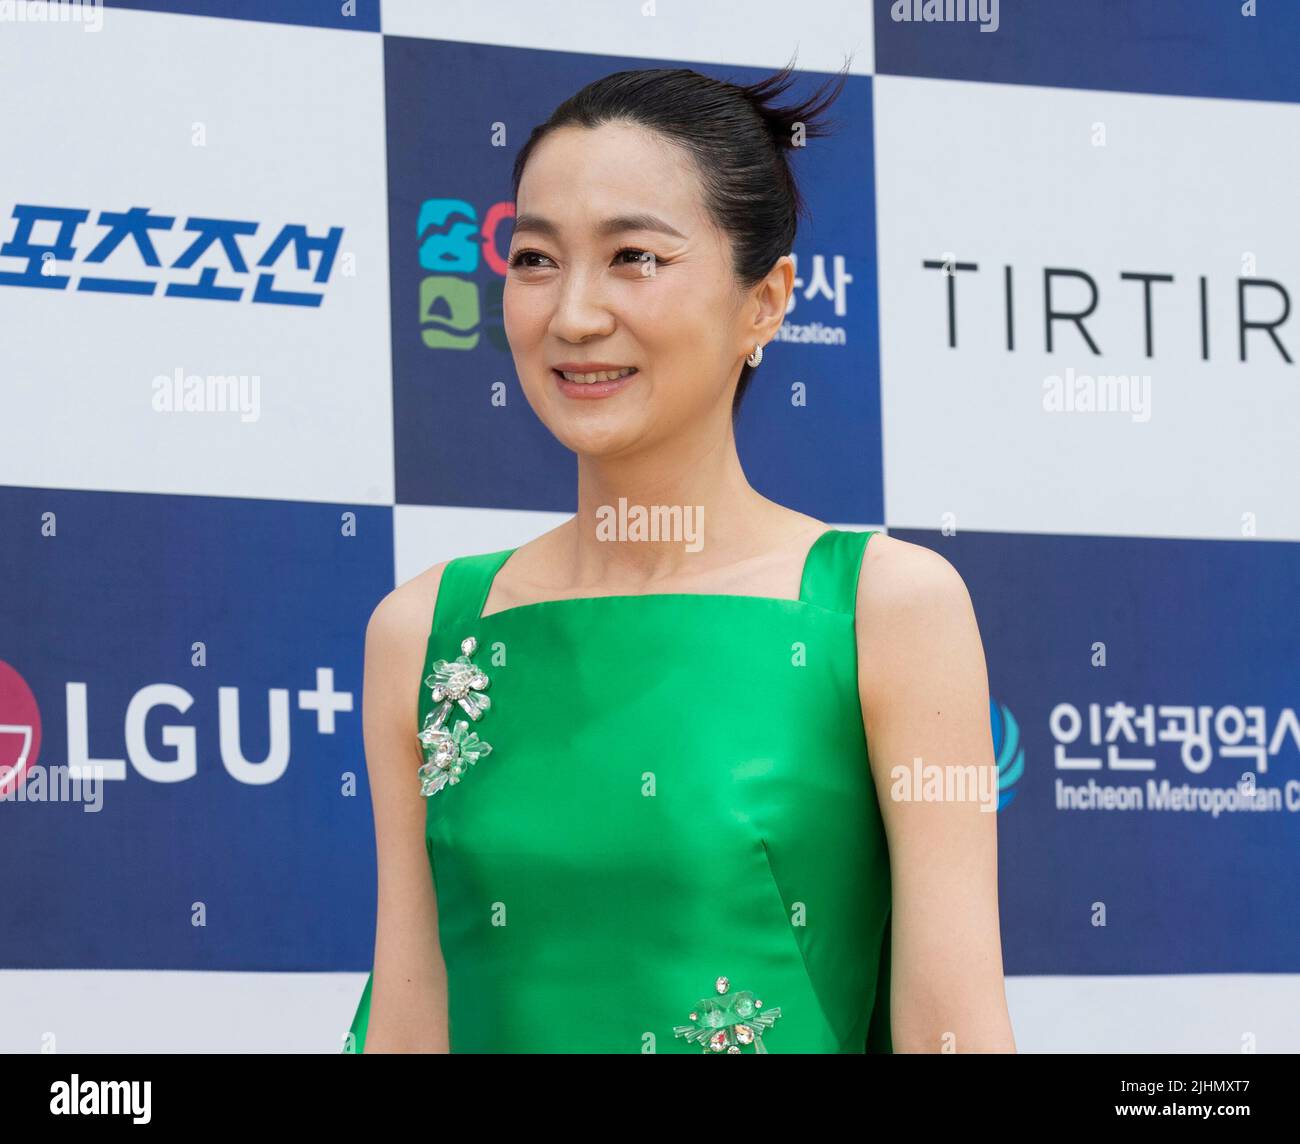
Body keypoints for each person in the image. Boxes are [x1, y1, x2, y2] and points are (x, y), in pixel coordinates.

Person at [344, 59, 1015, 1053]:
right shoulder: (426, 628)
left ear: (766, 301)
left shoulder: (881, 609)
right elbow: (405, 1022)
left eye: (634, 259)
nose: (571, 313)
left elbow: (951, 1031)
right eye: (534, 259)